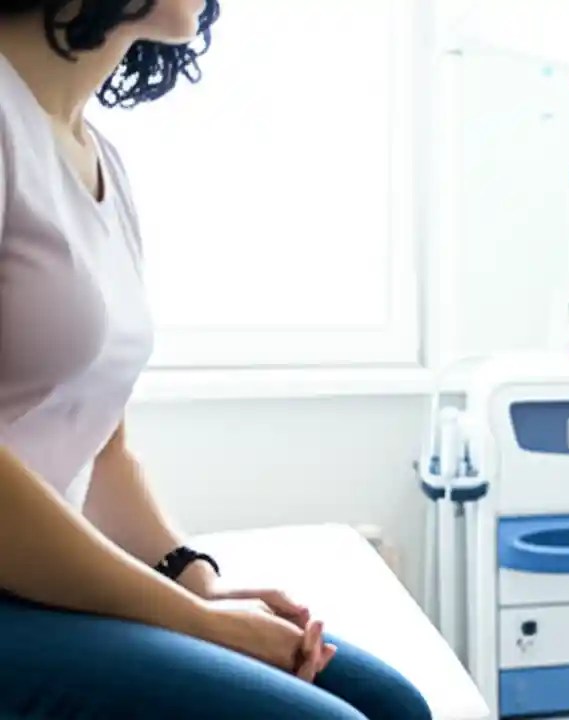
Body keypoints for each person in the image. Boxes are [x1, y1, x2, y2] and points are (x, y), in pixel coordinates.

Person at [0, 2, 431, 718]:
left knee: (392, 706)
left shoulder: (97, 158)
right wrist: (194, 621)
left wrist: (193, 577)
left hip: (39, 585)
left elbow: (105, 451)